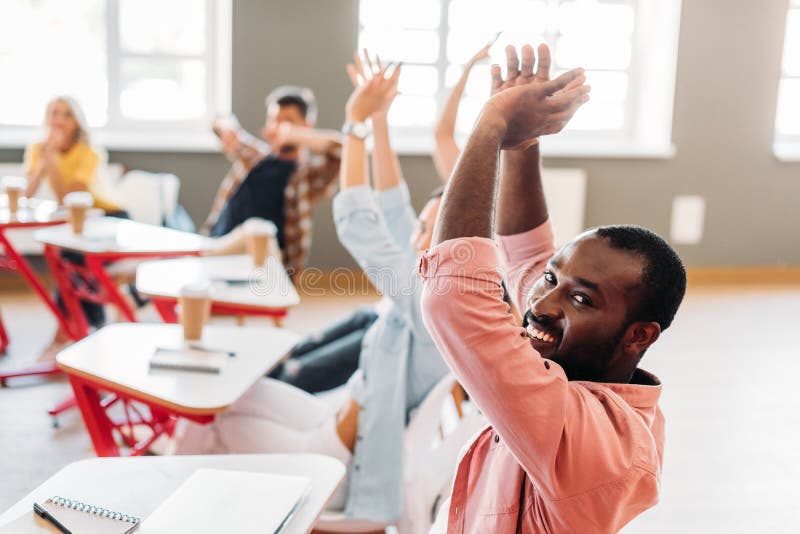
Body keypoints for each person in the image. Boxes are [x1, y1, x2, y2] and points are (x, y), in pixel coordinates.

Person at [421, 44, 686, 532]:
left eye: (581, 298)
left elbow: (453, 299)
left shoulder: (592, 440)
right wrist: (521, 146)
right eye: (553, 279)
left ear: (639, 335)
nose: (540, 304)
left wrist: (491, 123)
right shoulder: (580, 361)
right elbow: (525, 256)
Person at [174, 53, 449, 524]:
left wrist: (357, 123)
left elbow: (363, 221)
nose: (412, 235)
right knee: (227, 394)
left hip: (336, 458)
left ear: (448, 246)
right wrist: (378, 120)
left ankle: (175, 502)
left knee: (209, 424)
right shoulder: (432, 286)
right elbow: (392, 203)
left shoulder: (427, 303)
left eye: (425, 230)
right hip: (332, 420)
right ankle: (176, 487)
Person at [24, 96, 126, 359]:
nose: (59, 120)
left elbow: (68, 199)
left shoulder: (90, 152)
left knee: (69, 256)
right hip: (77, 224)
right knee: (66, 255)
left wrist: (54, 163)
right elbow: (28, 193)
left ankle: (65, 331)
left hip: (109, 217)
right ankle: (91, 326)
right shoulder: (38, 148)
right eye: (54, 113)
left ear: (76, 121)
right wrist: (45, 160)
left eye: (66, 114)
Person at [203, 86, 342, 277]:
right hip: (220, 243)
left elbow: (342, 150)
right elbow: (219, 121)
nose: (277, 126)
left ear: (306, 125)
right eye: (274, 119)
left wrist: (294, 134)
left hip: (265, 263)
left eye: (287, 121)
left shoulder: (308, 176)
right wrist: (226, 128)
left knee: (255, 232)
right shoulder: (255, 156)